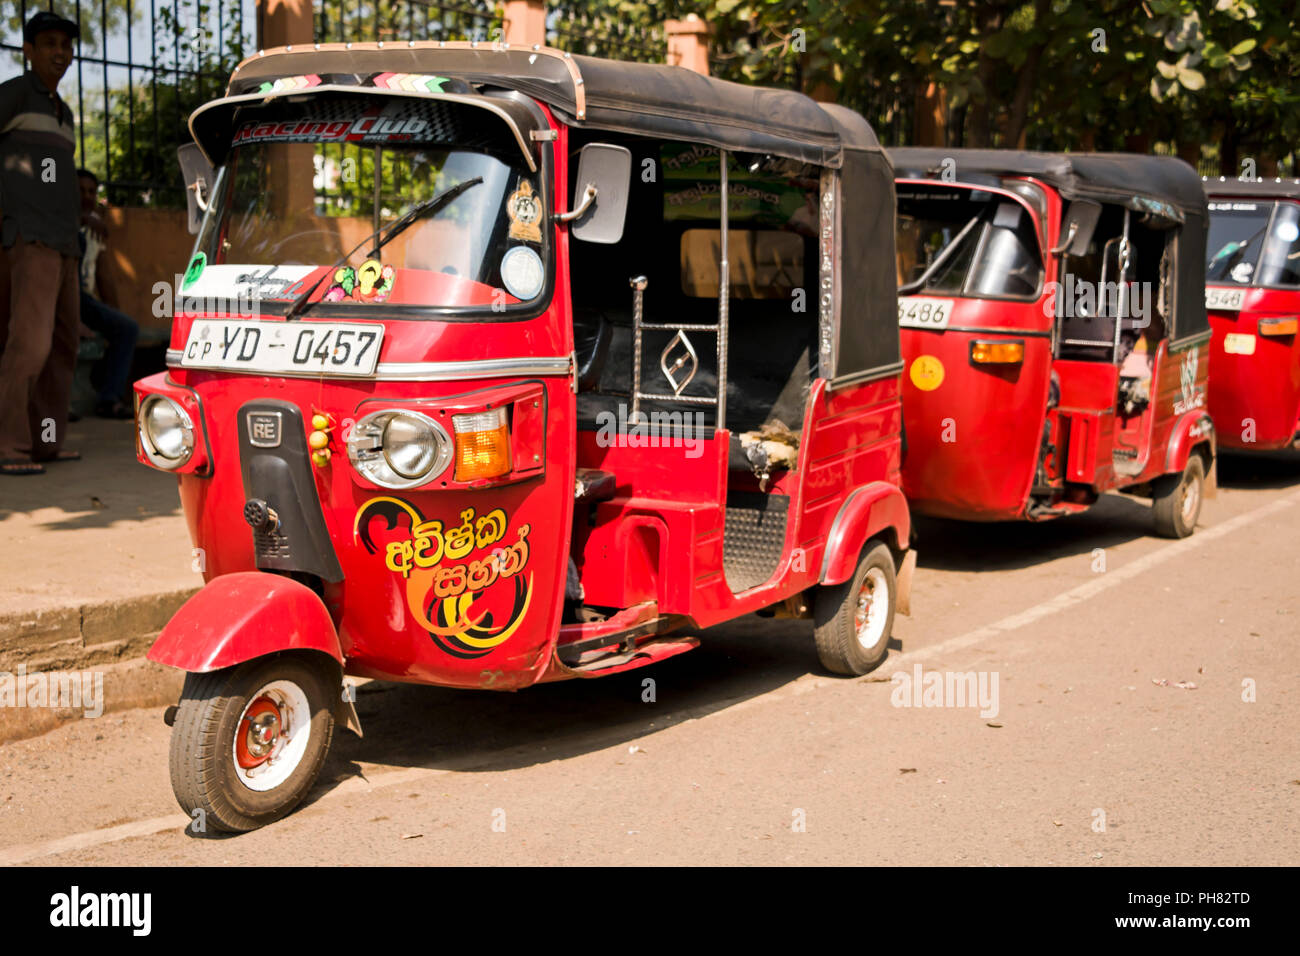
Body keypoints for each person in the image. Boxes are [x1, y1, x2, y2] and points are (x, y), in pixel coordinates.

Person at [0, 11, 82, 476]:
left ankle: (45, 442)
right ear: (28, 51)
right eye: (49, 44)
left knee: (61, 350)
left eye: (65, 46)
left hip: (67, 244)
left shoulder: (63, 111)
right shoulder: (12, 95)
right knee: (28, 345)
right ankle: (9, 444)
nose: (59, 53)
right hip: (28, 238)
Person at [76, 168, 137, 418]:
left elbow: (103, 276)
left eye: (91, 191)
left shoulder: (95, 228)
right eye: (80, 190)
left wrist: (113, 316)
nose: (87, 196)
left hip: (85, 301)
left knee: (127, 328)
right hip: (61, 297)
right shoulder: (60, 221)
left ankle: (109, 398)